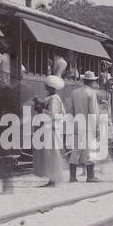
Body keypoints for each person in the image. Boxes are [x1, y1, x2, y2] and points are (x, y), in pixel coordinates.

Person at [35, 59, 68, 187]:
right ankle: (53, 179)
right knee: (52, 153)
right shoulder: (53, 97)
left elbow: (53, 115)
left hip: (52, 129)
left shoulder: (54, 99)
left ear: (50, 87)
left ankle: (53, 180)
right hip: (52, 129)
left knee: (52, 153)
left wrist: (41, 109)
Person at [68, 71, 101, 182]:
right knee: (89, 151)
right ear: (92, 82)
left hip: (77, 124)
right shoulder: (91, 93)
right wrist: (96, 127)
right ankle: (90, 176)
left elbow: (71, 110)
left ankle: (72, 176)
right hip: (88, 125)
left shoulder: (74, 92)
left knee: (75, 150)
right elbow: (93, 111)